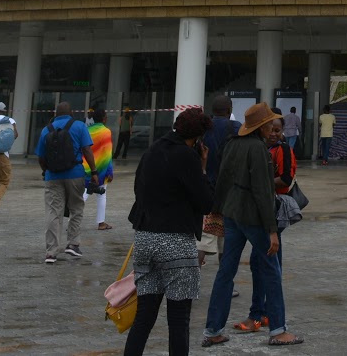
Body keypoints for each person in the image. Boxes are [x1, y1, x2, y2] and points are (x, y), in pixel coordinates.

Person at [203, 102, 302, 347]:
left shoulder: (233, 144)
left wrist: (217, 210)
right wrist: (272, 231)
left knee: (226, 271)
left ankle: (213, 330)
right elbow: (263, 192)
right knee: (271, 270)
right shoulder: (258, 149)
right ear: (261, 127)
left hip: (232, 214)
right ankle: (278, 330)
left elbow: (222, 179)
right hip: (253, 218)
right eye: (269, 124)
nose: (272, 128)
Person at [123, 105, 214, 356]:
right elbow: (206, 203)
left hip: (144, 238)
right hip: (175, 242)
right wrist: (203, 168)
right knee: (178, 319)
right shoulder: (187, 156)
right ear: (198, 137)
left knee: (144, 317)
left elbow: (138, 190)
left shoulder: (152, 150)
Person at [35, 101, 95, 264]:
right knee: (76, 208)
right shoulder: (79, 126)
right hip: (75, 174)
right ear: (71, 113)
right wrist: (94, 172)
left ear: (55, 114)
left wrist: (46, 171)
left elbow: (40, 156)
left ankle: (51, 252)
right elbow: (87, 150)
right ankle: (73, 244)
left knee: (53, 212)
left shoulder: (46, 130)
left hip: (52, 176)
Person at [84, 107, 116, 231]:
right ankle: (101, 223)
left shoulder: (87, 130)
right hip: (101, 168)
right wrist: (110, 172)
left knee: (84, 193)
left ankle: (72, 221)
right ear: (104, 119)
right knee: (101, 195)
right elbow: (108, 154)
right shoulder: (106, 132)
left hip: (87, 167)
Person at [201, 95, 239, 191]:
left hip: (206, 181)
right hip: (229, 184)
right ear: (229, 110)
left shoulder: (203, 127)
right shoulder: (236, 127)